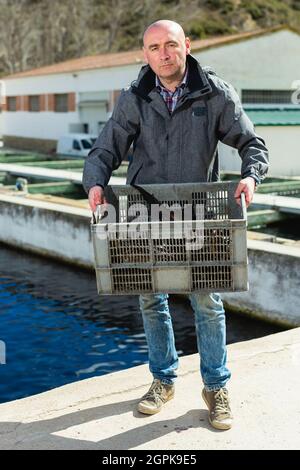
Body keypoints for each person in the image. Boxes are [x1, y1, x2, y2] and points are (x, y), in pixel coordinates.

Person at [82, 20, 269, 431]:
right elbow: (106, 146)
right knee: (151, 300)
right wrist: (95, 181)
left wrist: (251, 176)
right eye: (153, 47)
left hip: (198, 214)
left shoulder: (215, 92)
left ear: (187, 45)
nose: (163, 54)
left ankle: (215, 387)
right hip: (144, 215)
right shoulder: (135, 97)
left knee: (207, 301)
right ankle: (163, 380)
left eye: (170, 45)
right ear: (144, 54)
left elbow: (252, 143)